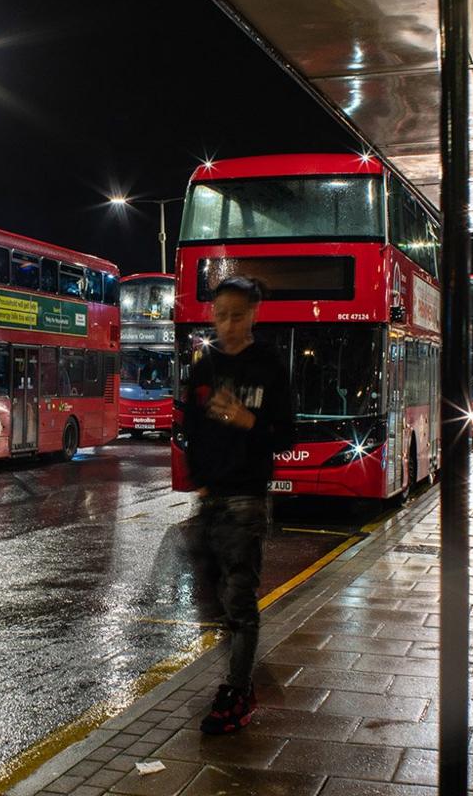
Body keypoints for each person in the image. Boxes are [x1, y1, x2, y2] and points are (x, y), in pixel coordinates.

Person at [182, 276, 294, 734]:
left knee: (240, 602)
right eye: (221, 315)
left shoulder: (269, 363)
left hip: (247, 498)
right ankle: (241, 670)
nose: (228, 324)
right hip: (211, 500)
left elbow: (287, 435)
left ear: (254, 314)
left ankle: (237, 691)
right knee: (209, 598)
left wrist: (250, 420)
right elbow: (191, 424)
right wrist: (201, 483)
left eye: (237, 315)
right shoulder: (203, 364)